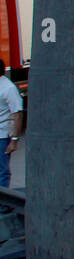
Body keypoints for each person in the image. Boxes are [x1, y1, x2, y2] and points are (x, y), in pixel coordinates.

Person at [0, 58, 22, 189]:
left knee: (2, 171)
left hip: (2, 136)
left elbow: (17, 114)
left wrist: (14, 140)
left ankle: (3, 204)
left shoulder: (9, 88)